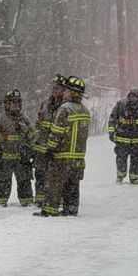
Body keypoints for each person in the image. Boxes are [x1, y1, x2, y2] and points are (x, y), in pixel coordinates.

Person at [35, 75, 93, 217]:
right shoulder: (85, 111)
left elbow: (57, 132)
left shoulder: (65, 109)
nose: (64, 93)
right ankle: (71, 209)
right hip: (78, 159)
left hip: (61, 157)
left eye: (66, 90)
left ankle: (49, 210)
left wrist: (50, 148)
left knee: (53, 184)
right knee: (73, 186)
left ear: (72, 93)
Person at [0, 89, 34, 207]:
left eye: (18, 103)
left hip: (21, 158)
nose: (16, 106)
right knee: (3, 181)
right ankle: (0, 202)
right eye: (13, 103)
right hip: (5, 158)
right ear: (7, 104)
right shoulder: (1, 119)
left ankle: (27, 202)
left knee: (25, 181)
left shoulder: (24, 119)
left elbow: (33, 136)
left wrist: (30, 149)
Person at [107, 89, 138, 185]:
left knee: (136, 158)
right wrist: (111, 132)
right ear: (128, 95)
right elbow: (113, 118)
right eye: (131, 96)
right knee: (121, 157)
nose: (132, 98)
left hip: (137, 138)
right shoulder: (121, 104)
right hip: (122, 137)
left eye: (135, 96)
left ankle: (134, 177)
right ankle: (120, 175)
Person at [31, 74, 66, 201]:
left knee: (57, 175)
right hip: (41, 147)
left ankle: (57, 199)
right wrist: (34, 145)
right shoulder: (45, 104)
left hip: (58, 148)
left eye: (58, 88)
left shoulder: (66, 107)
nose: (55, 90)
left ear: (64, 90)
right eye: (54, 88)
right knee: (40, 173)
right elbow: (38, 124)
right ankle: (40, 198)